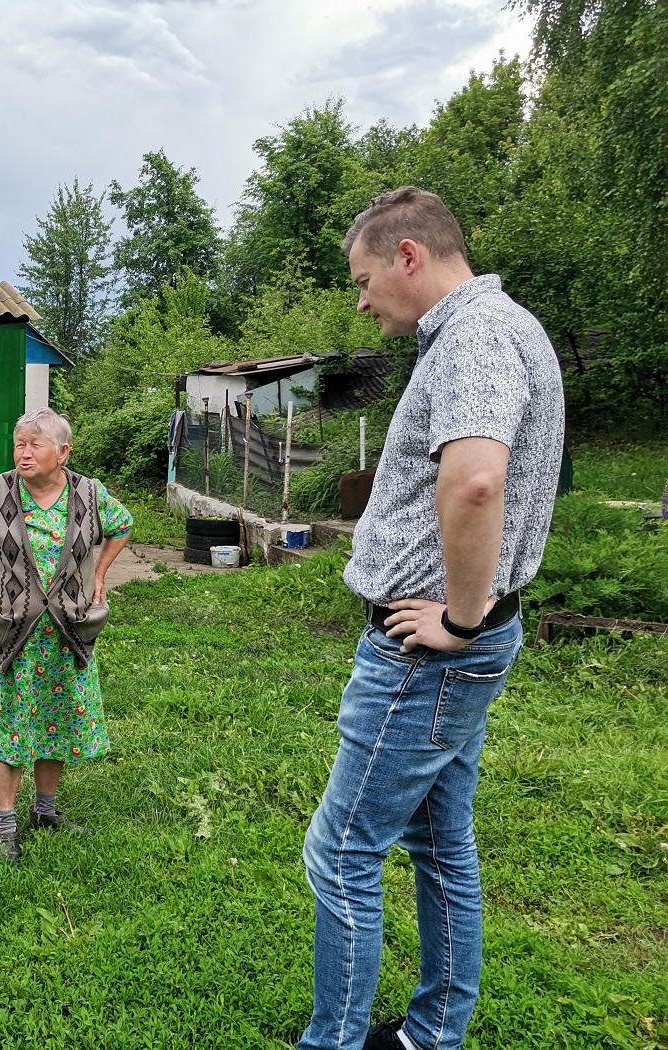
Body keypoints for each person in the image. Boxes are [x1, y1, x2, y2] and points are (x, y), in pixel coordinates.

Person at [298, 188, 564, 1050]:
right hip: (463, 646)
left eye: (365, 278)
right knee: (439, 840)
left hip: (427, 653)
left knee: (339, 853)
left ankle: (332, 1043)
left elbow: (478, 480)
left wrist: (460, 617)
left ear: (409, 256)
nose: (363, 298)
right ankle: (431, 1035)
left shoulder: (474, 340)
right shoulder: (502, 326)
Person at [0, 408, 132, 862]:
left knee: (56, 719)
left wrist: (99, 572)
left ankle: (45, 811)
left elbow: (122, 526)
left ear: (63, 453)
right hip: (10, 635)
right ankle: (6, 824)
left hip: (66, 634)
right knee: (8, 726)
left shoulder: (90, 494)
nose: (24, 453)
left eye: (34, 445)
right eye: (19, 444)